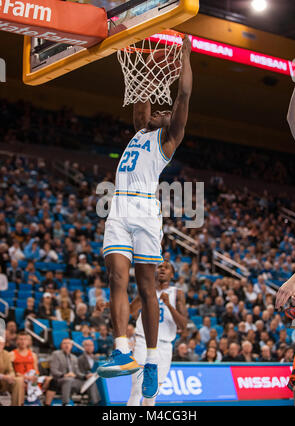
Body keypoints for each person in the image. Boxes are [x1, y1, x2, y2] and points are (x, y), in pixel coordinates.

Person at [97, 35, 193, 399]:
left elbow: (182, 96)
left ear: (169, 122)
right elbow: (141, 88)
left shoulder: (168, 140)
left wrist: (184, 56)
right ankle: (123, 350)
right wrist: (137, 41)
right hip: (119, 206)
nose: (158, 111)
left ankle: (151, 359)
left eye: (163, 113)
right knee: (115, 276)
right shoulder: (140, 129)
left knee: (147, 287)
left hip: (144, 208)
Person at [127, 261, 187, 406]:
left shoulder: (177, 293)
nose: (162, 269)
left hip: (164, 346)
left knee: (151, 394)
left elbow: (183, 325)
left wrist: (168, 305)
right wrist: (145, 296)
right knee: (137, 387)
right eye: (160, 267)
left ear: (172, 274)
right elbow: (131, 311)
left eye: (167, 268)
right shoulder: (146, 290)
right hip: (144, 342)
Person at [50, 338, 85, 406]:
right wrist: (65, 375)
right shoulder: (56, 354)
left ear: (72, 345)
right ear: (61, 345)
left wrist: (85, 376)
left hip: (73, 380)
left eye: (68, 343)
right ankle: (65, 403)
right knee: (68, 380)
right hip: (59, 379)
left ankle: (94, 402)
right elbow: (54, 370)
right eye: (64, 343)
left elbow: (77, 372)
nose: (67, 345)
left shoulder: (74, 357)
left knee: (89, 382)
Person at [0, 335, 24, 406]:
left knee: (19, 380)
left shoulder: (6, 354)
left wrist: (11, 376)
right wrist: (4, 377)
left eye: (1, 344)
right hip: (2, 378)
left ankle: (16, 404)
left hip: (3, 382)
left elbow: (11, 370)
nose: (0, 346)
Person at [78, 340, 101, 405]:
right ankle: (95, 403)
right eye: (87, 345)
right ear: (84, 347)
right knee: (92, 383)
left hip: (96, 378)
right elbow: (80, 372)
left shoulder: (96, 358)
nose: (90, 347)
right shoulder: (80, 358)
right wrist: (87, 375)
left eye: (91, 345)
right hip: (86, 380)